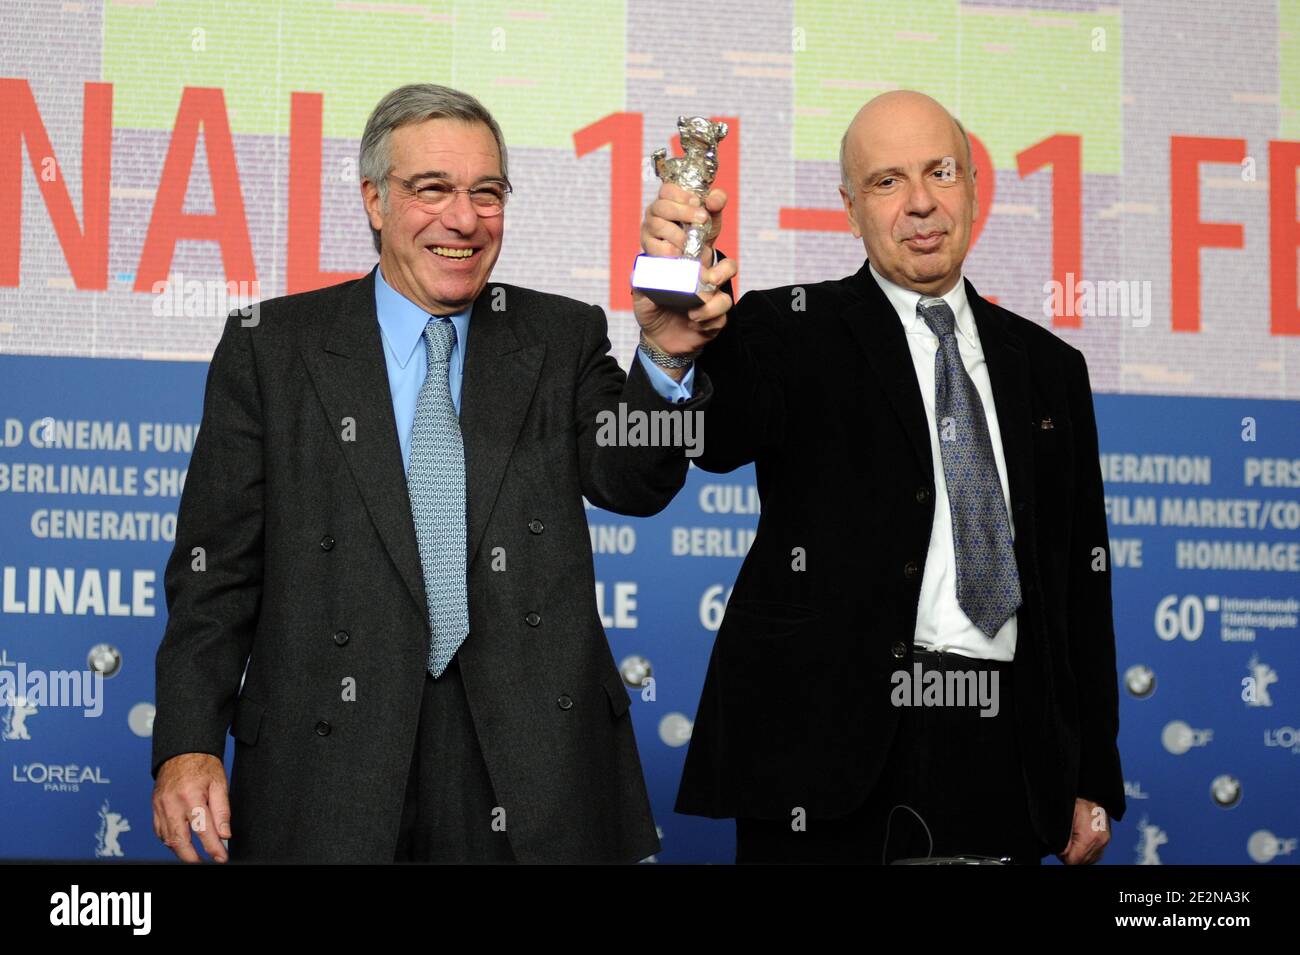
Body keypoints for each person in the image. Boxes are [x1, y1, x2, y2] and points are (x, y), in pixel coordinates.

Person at [150, 83, 735, 863]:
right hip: (328, 765)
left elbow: (630, 480)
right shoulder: (271, 348)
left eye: (486, 193)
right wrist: (187, 741)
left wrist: (663, 353)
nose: (463, 220)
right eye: (432, 189)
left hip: (531, 769)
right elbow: (213, 574)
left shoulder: (560, 336)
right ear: (375, 201)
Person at [640, 90, 1125, 864]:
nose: (923, 202)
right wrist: (677, 332)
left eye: (941, 172)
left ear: (972, 184)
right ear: (849, 208)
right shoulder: (783, 327)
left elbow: (1077, 587)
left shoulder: (1052, 370)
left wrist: (1093, 772)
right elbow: (713, 438)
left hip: (1004, 754)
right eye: (888, 181)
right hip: (824, 761)